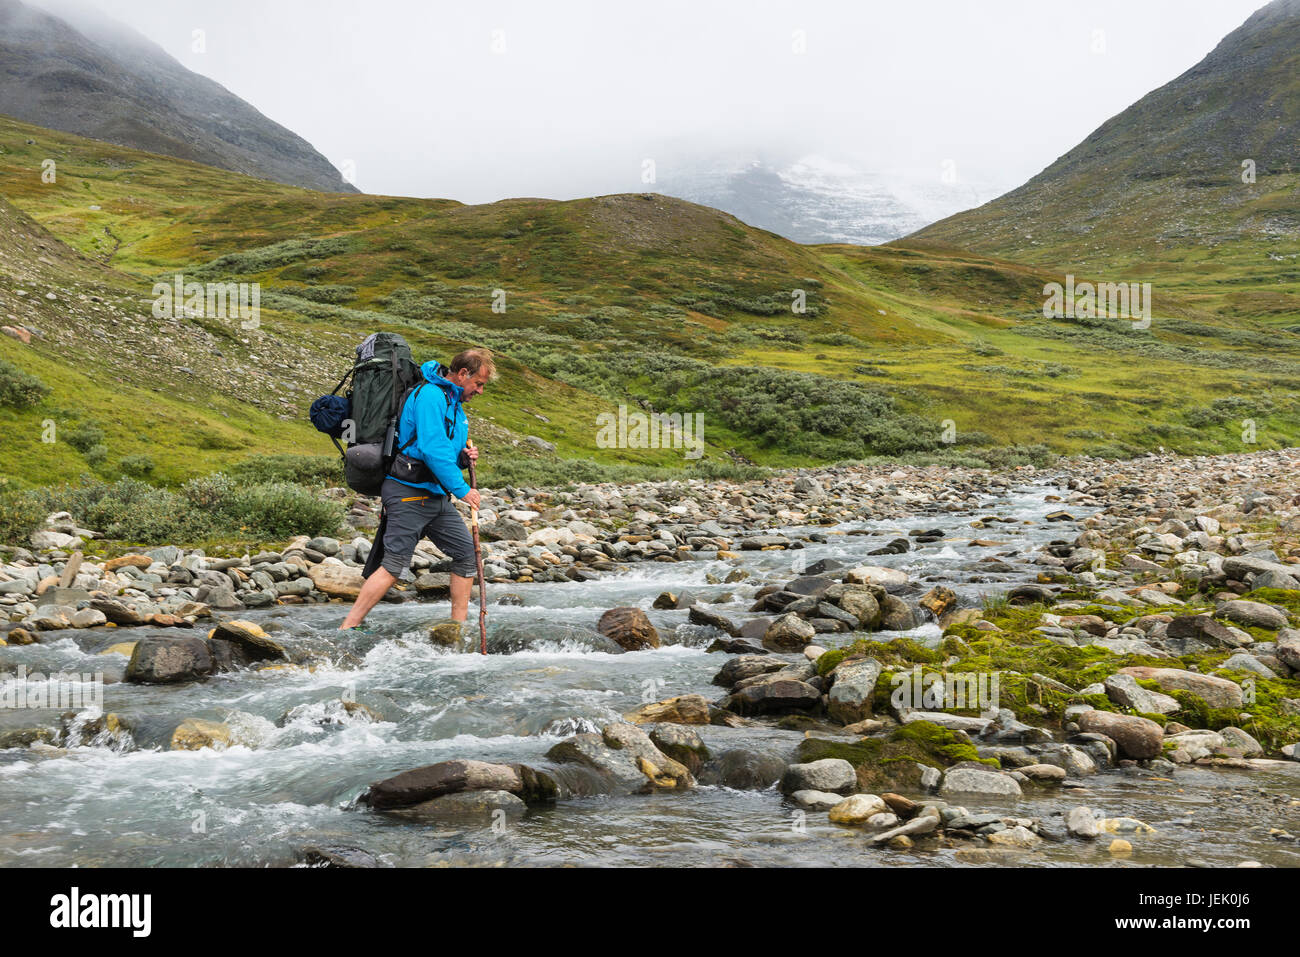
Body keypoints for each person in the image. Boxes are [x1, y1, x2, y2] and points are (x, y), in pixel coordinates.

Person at [339, 347, 495, 633]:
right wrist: (463, 490)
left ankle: (456, 627)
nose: (480, 391)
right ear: (463, 374)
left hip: (434, 496)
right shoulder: (431, 396)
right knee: (394, 564)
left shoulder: (455, 405)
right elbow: (432, 450)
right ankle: (348, 626)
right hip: (407, 492)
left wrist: (462, 458)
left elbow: (442, 452)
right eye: (479, 384)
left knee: (466, 554)